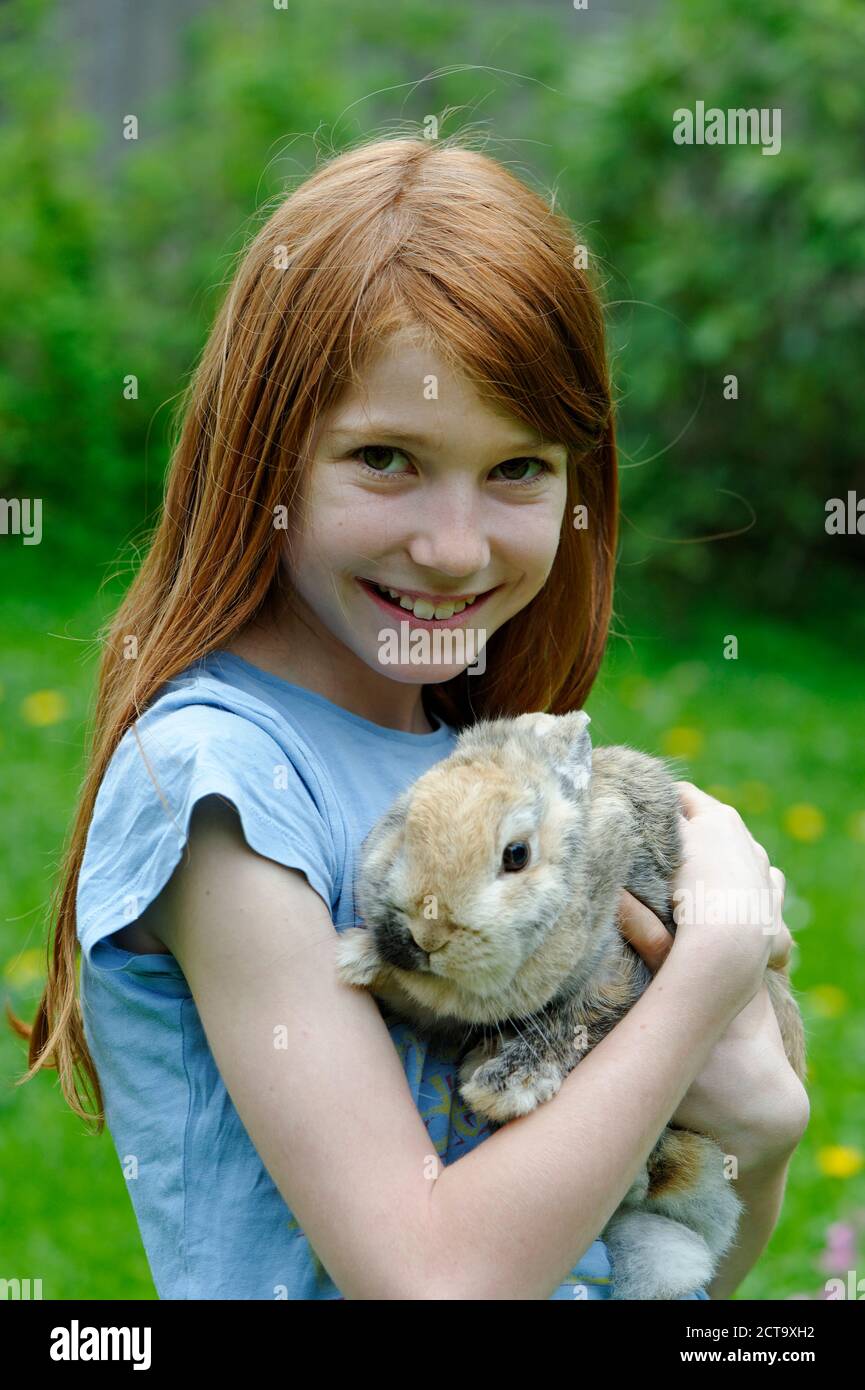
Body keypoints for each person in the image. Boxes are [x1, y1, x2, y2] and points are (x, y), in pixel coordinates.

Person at [14, 134, 808, 1300]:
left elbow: (670, 1270)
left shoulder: (479, 774)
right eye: (386, 459)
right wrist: (704, 984)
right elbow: (433, 1281)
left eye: (519, 471)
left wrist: (764, 1124)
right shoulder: (223, 784)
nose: (452, 547)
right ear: (263, 460)